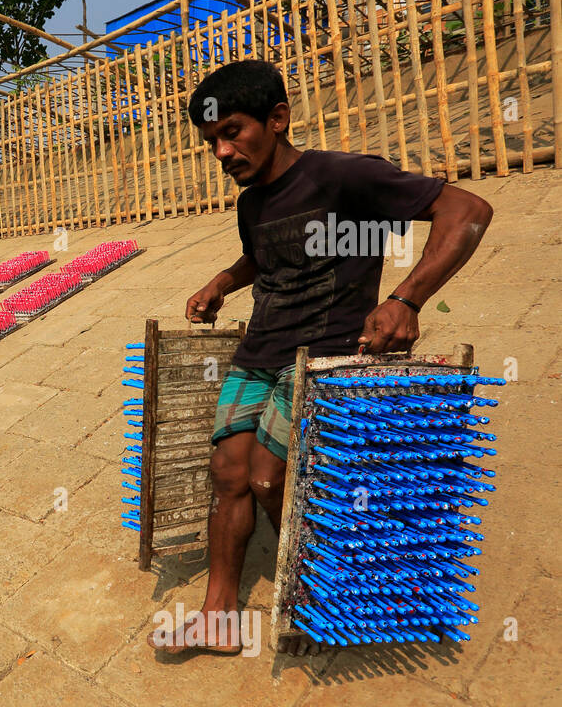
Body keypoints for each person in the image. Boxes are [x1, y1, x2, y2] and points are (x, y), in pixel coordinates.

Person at [149, 60, 492, 657]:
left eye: (233, 131)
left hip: (319, 357)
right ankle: (218, 618)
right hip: (257, 353)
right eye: (212, 143)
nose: (223, 152)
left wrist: (406, 299)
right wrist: (222, 282)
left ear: (277, 118)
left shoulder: (343, 177)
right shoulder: (252, 202)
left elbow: (468, 212)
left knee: (268, 480)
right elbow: (262, 255)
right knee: (227, 476)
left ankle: (323, 601)